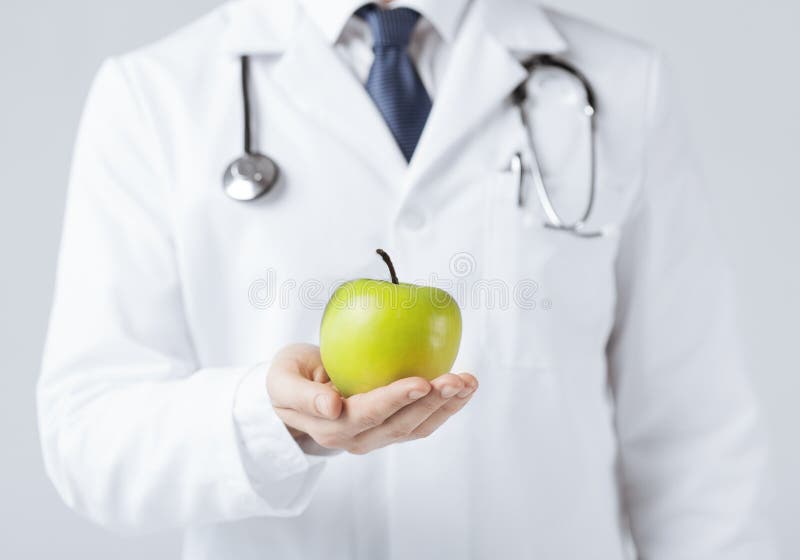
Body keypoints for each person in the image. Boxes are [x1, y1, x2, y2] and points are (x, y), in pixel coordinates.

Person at [38, 0, 775, 558]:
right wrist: (270, 422)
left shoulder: (620, 86)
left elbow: (697, 443)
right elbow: (89, 435)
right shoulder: (155, 96)